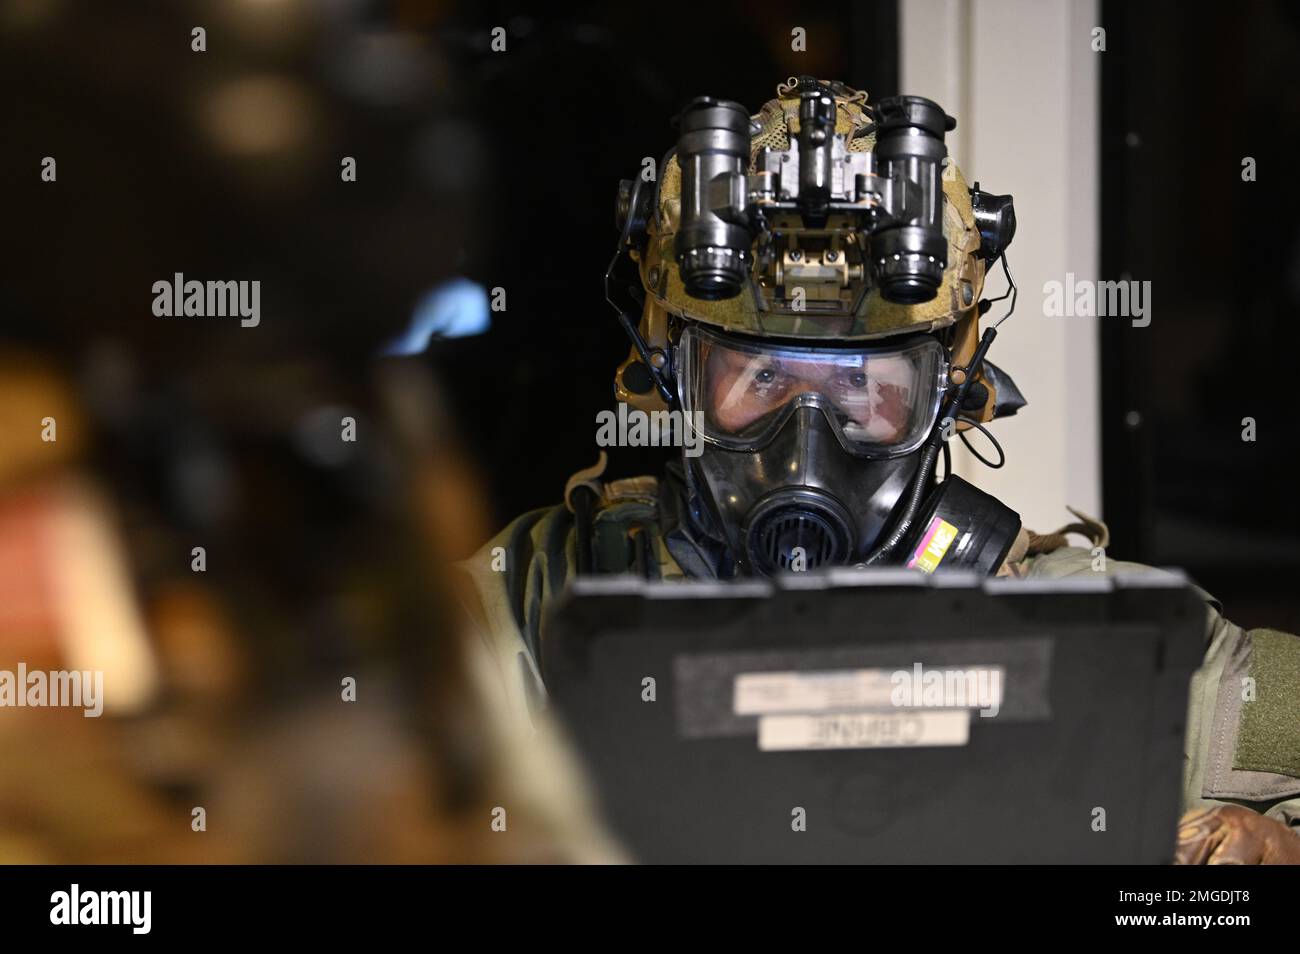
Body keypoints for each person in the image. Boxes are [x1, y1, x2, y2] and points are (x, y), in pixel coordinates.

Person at [460, 76, 1300, 864]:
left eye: (863, 386)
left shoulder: (1107, 643)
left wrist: (1266, 845)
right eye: (762, 378)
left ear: (952, 389)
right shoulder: (536, 610)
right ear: (670, 373)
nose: (807, 439)